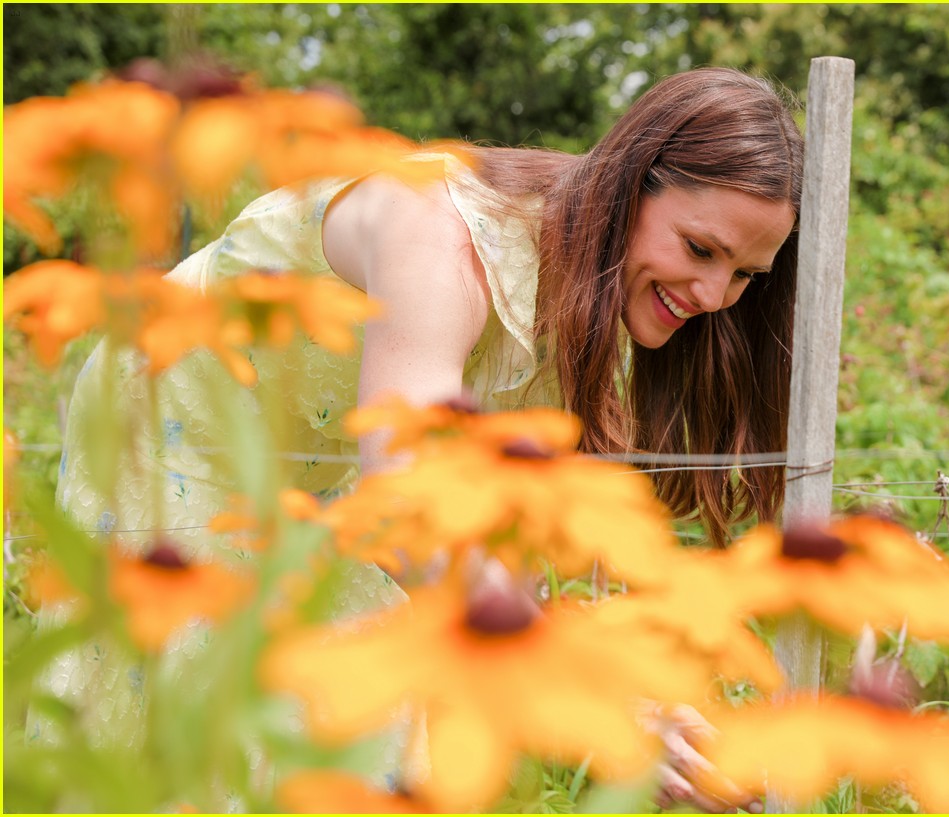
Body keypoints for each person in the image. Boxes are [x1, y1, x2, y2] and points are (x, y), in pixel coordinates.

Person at [48, 66, 802, 810]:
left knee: (360, 728)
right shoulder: (440, 236)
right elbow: (411, 514)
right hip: (176, 419)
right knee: (202, 735)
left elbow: (486, 541)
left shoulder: (576, 288)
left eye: (745, 274)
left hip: (324, 478)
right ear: (630, 184)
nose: (713, 297)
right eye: (701, 249)